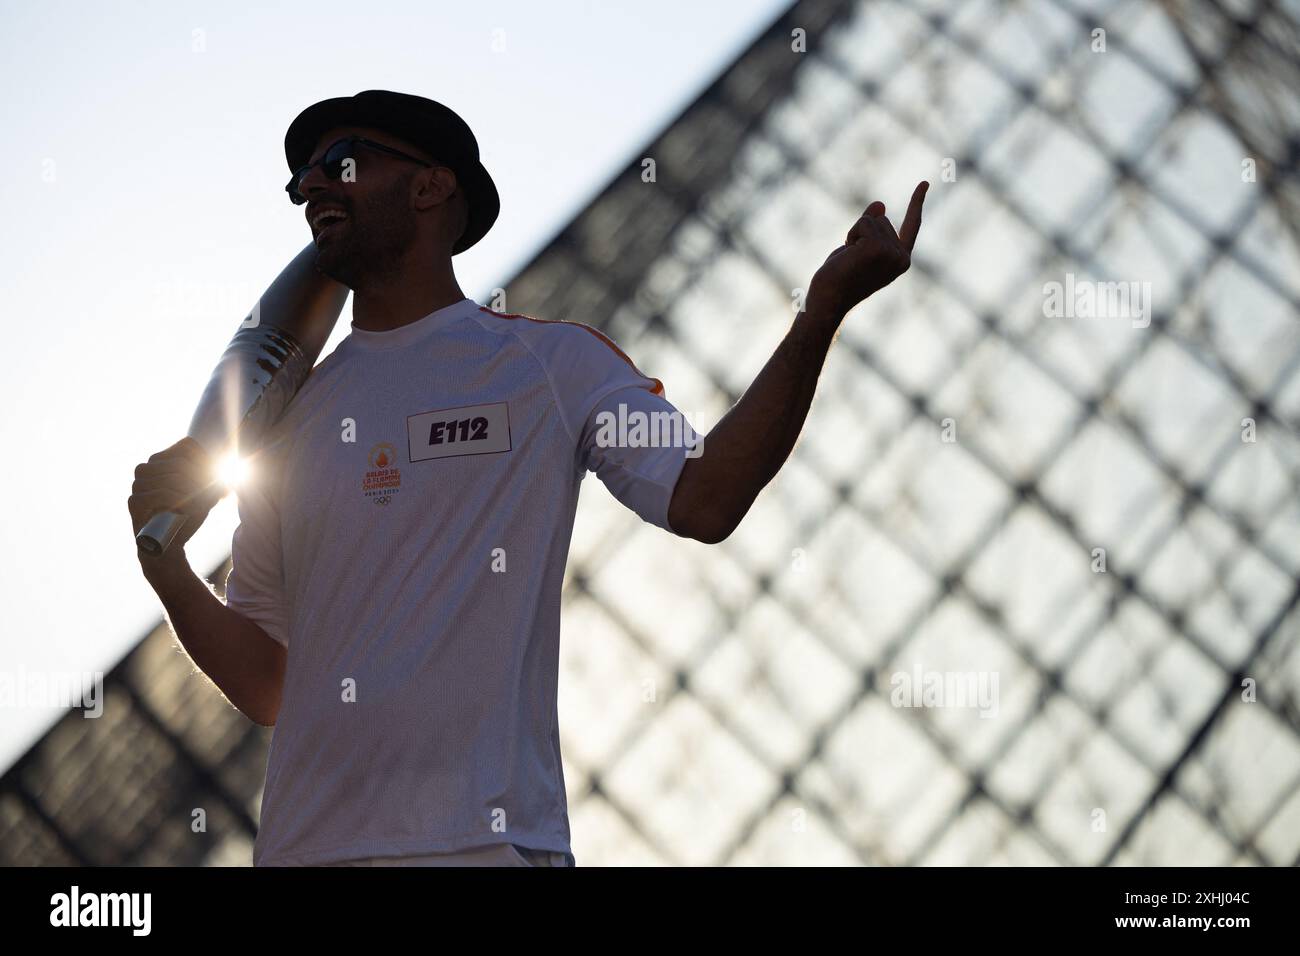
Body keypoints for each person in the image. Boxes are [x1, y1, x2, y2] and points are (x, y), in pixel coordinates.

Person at [128, 90, 927, 867]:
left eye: (341, 161)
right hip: (306, 853)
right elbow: (270, 684)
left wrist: (820, 315)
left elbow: (707, 496)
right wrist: (166, 570)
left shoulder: (553, 366)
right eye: (300, 177)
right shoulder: (288, 425)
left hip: (486, 845)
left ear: (433, 185)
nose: (311, 187)